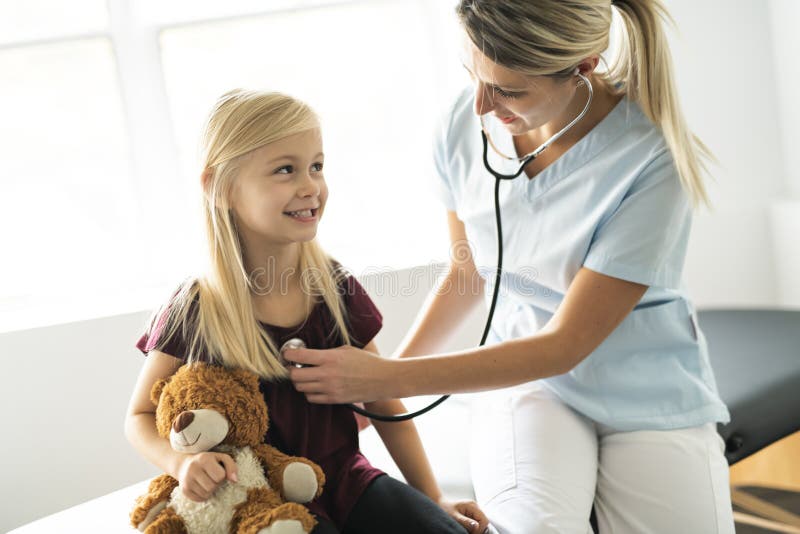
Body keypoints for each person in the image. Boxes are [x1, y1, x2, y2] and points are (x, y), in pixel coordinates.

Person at [285, 1, 736, 533]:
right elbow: (467, 272)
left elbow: (565, 345)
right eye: (474, 75)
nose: (481, 104)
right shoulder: (463, 124)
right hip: (528, 384)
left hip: (647, 390)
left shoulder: (651, 157)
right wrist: (384, 392)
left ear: (583, 67)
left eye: (508, 90)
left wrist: (387, 376)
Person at [124, 89, 489, 534]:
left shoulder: (334, 287)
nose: (311, 186)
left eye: (317, 166)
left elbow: (383, 397)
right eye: (286, 170)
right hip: (261, 498)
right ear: (219, 188)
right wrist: (180, 463)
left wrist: (433, 496)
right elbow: (139, 417)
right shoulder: (197, 307)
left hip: (345, 478)